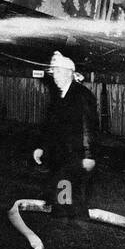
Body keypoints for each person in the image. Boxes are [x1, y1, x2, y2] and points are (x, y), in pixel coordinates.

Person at [32, 50, 99, 220]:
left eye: (59, 72)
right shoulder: (59, 96)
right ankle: (64, 222)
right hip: (61, 156)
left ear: (70, 73)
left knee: (73, 196)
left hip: (75, 157)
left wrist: (88, 155)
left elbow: (87, 127)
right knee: (63, 193)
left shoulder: (82, 96)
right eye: (54, 72)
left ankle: (74, 227)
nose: (55, 76)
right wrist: (41, 147)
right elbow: (51, 127)